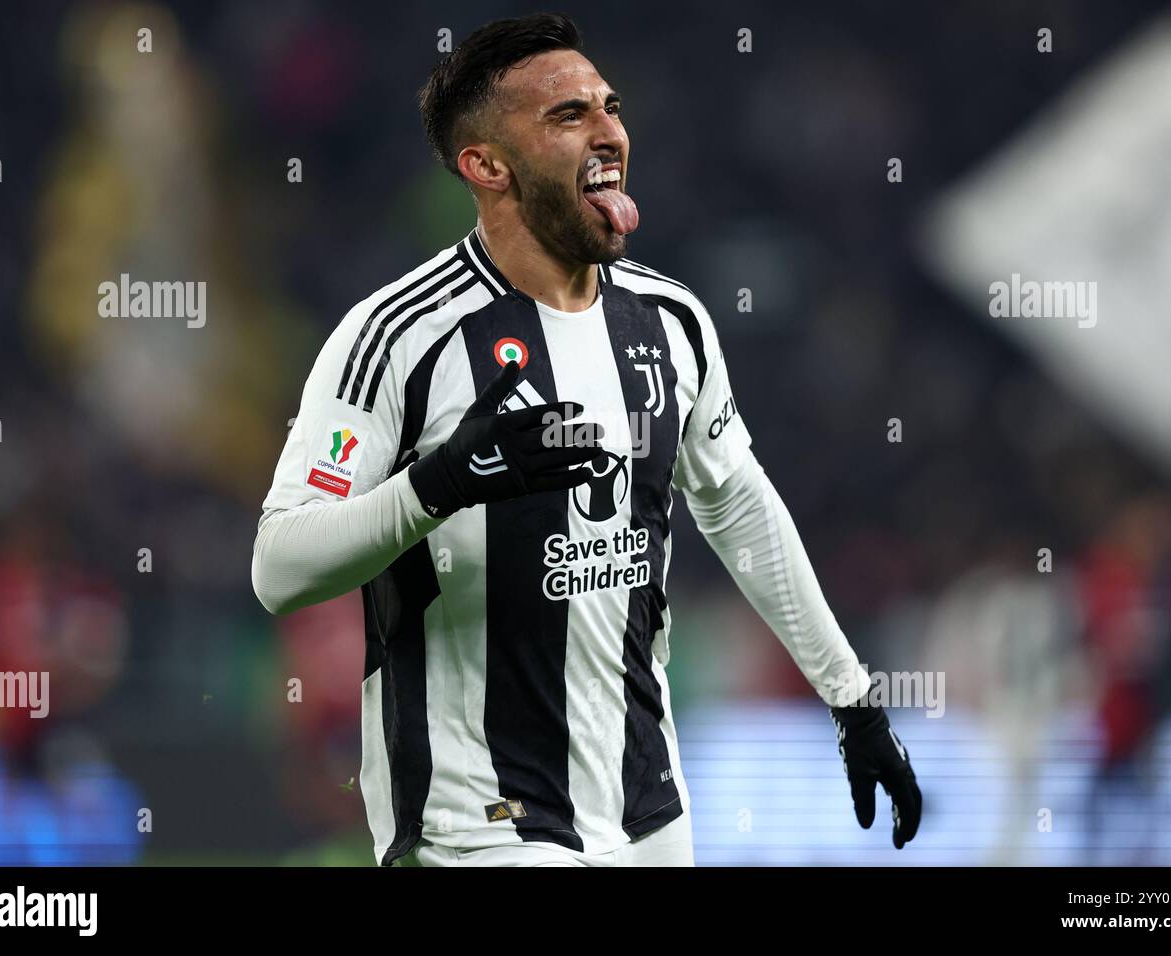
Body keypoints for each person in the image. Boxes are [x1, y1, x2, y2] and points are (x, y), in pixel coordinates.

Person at [251, 13, 920, 867]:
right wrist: (438, 485)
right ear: (486, 166)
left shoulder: (669, 319)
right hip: (479, 814)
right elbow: (280, 568)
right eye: (568, 116)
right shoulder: (396, 336)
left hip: (647, 806)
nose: (609, 132)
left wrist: (851, 697)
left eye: (610, 107)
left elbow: (738, 504)